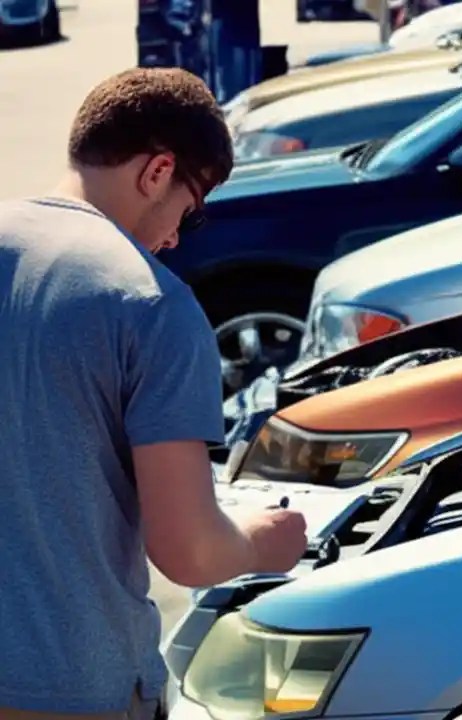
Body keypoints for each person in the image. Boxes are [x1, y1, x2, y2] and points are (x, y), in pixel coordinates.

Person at [0, 68, 308, 720]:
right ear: (157, 171)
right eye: (190, 213)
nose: (173, 238)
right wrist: (262, 540)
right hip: (73, 688)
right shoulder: (151, 305)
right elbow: (189, 551)